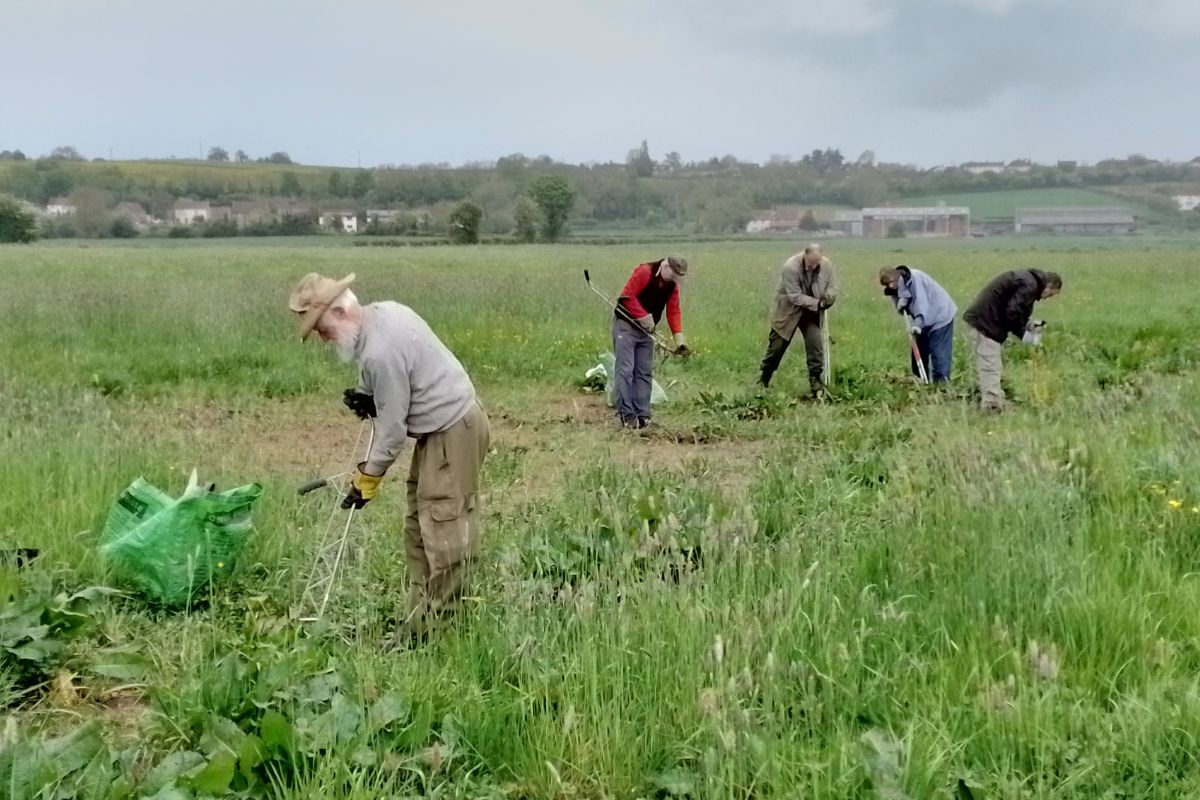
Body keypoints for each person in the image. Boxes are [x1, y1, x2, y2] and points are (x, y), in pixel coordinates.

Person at [288, 272, 490, 641]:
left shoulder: (379, 350)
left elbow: (393, 434)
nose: (321, 337)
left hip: (454, 430)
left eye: (321, 327)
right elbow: (393, 379)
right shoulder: (383, 314)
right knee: (418, 525)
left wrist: (367, 480)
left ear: (340, 310)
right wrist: (368, 394)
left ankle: (443, 636)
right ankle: (417, 623)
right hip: (439, 430)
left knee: (444, 530)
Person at [961, 268, 1062, 412]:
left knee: (991, 365)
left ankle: (995, 400)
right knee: (990, 366)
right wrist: (1025, 336)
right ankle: (992, 407)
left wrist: (1029, 326)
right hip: (985, 324)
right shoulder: (1029, 286)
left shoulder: (1027, 282)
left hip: (984, 321)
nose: (1046, 298)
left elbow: (1016, 311)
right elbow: (1013, 314)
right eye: (1050, 295)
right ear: (1049, 286)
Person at [612, 255, 690, 428]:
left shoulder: (672, 286)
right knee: (625, 370)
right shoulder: (644, 272)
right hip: (626, 326)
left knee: (644, 372)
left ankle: (643, 415)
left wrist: (679, 339)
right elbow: (627, 297)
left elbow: (673, 311)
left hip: (646, 331)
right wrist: (643, 317)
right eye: (674, 274)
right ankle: (627, 416)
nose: (675, 279)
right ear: (665, 266)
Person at [759, 243, 839, 397]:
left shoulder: (826, 265)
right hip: (788, 309)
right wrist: (817, 303)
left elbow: (832, 285)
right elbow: (794, 296)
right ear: (805, 255)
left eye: (817, 263)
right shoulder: (791, 267)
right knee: (777, 346)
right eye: (811, 263)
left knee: (815, 344)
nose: (814, 266)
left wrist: (829, 297)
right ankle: (764, 378)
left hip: (811, 312)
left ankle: (815, 381)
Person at [879, 265, 957, 383]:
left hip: (940, 314)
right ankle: (920, 382)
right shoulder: (895, 286)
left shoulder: (916, 278)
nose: (890, 286)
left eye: (890, 282)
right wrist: (900, 305)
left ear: (896, 276)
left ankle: (942, 387)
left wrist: (917, 324)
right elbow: (901, 307)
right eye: (886, 285)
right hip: (923, 321)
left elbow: (922, 304)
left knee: (939, 353)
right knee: (919, 351)